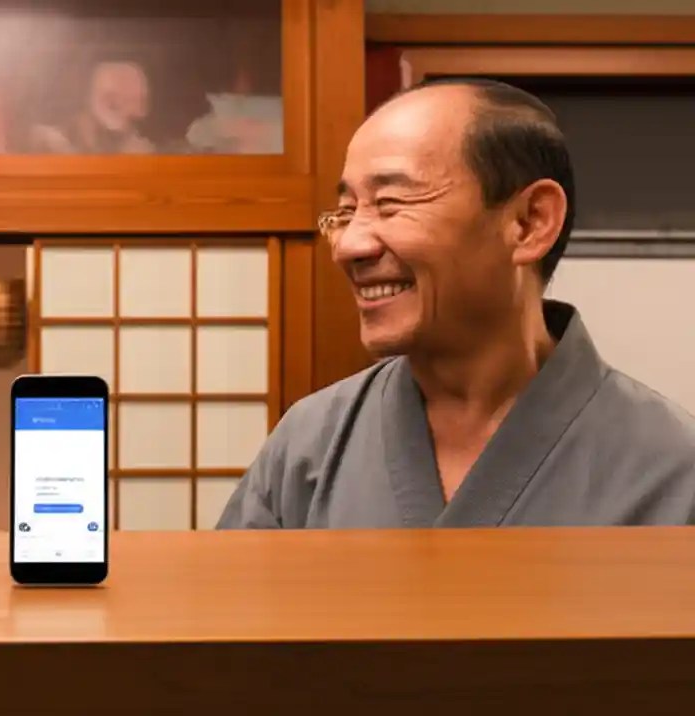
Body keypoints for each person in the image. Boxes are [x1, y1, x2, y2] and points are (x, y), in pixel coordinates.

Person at [218, 78, 695, 529]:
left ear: (529, 223)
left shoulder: (671, 467)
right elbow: (232, 610)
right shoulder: (311, 443)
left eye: (391, 203)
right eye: (345, 212)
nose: (348, 246)